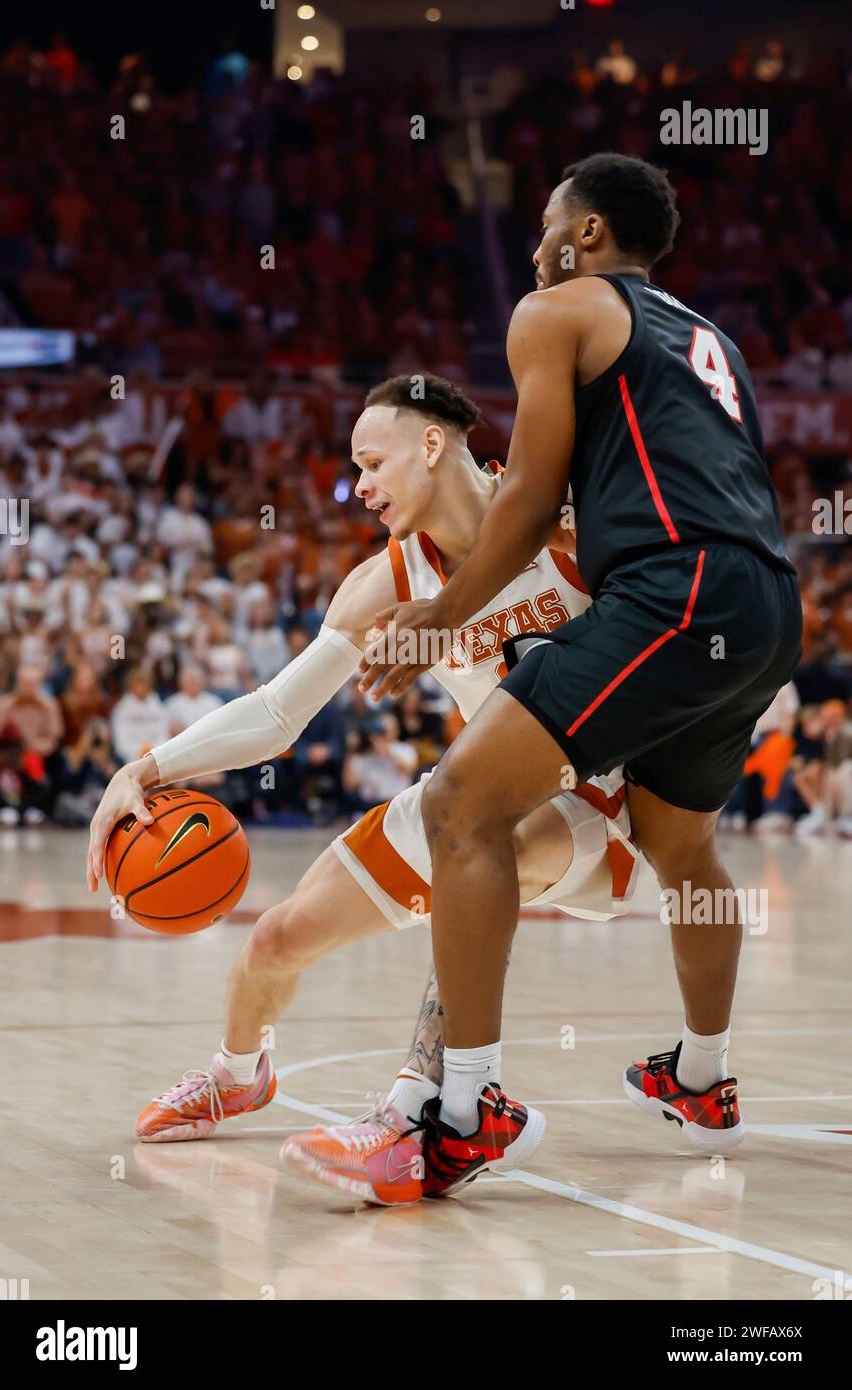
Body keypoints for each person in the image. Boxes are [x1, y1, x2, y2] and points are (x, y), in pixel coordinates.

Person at [358, 154, 802, 1195]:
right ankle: (702, 1074)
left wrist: (438, 613)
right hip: (762, 602)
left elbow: (529, 491)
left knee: (459, 801)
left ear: (588, 233)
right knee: (678, 842)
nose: (531, 245)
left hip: (675, 587)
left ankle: (465, 1109)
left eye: (546, 223)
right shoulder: (708, 337)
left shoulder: (553, 309)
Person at [86, 375, 640, 1203]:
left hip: (605, 798)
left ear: (431, 444)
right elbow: (278, 712)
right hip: (476, 790)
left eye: (372, 463)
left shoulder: (566, 522)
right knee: (277, 939)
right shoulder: (385, 583)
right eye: (355, 469)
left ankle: (418, 1110)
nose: (361, 487)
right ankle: (238, 1075)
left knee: (486, 850)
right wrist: (145, 768)